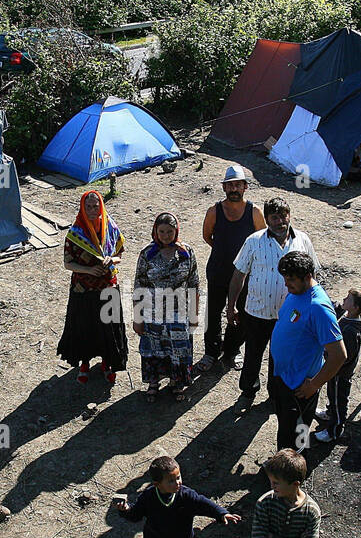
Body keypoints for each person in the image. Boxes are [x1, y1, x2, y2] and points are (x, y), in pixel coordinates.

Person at [226, 196, 319, 400]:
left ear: (289, 216)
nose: (280, 222)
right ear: (267, 219)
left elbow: (314, 276)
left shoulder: (303, 240)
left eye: (283, 216)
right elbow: (238, 275)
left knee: (281, 357)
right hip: (257, 311)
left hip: (290, 315)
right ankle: (248, 390)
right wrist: (231, 306)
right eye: (274, 217)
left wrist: (313, 309)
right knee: (253, 353)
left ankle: (275, 394)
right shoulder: (254, 241)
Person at [268, 252, 346, 454]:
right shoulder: (296, 293)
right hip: (284, 376)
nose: (286, 285)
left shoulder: (319, 308)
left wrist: (314, 384)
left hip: (301, 386)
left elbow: (339, 355)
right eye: (285, 279)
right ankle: (283, 466)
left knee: (299, 432)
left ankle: (294, 468)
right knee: (286, 429)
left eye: (291, 279)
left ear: (308, 275)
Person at [198, 165, 264, 373]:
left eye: (238, 185)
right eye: (230, 185)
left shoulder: (254, 212)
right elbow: (207, 236)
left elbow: (261, 241)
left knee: (241, 312)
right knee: (213, 312)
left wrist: (245, 262)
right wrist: (224, 252)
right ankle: (211, 352)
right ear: (224, 188)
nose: (234, 189)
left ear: (245, 187)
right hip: (218, 269)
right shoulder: (214, 211)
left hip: (245, 273)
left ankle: (232, 350)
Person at [58, 190, 127, 384]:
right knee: (84, 326)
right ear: (82, 207)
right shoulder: (75, 233)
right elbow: (68, 264)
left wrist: (111, 258)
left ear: (101, 206)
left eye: (95, 206)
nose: (91, 210)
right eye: (87, 206)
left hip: (108, 287)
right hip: (83, 289)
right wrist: (89, 271)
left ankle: (108, 362)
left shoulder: (111, 228)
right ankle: (85, 363)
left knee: (109, 327)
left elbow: (120, 255)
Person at [133, 212, 201, 401]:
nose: (165, 235)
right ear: (155, 231)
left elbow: (194, 284)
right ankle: (154, 382)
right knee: (154, 349)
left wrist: (194, 314)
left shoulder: (186, 252)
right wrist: (137, 319)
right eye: (161, 231)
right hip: (152, 312)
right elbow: (139, 286)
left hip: (179, 312)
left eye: (170, 231)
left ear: (176, 231)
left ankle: (176, 382)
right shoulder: (147, 254)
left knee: (178, 349)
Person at [314, 287, 361, 443]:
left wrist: (327, 355)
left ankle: (335, 429)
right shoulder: (347, 316)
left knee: (339, 399)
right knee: (332, 394)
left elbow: (344, 357)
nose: (344, 300)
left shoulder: (351, 331)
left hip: (341, 373)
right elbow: (335, 307)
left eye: (348, 299)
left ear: (356, 308)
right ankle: (329, 412)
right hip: (334, 371)